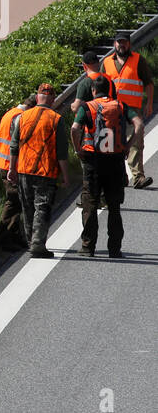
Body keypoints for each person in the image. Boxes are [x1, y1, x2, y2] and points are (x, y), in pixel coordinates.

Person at [72, 76, 141, 257]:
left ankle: (88, 247)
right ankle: (115, 249)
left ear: (93, 91)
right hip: (115, 162)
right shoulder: (120, 106)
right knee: (114, 207)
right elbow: (139, 124)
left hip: (93, 162)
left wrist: (78, 149)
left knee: (90, 205)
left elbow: (74, 128)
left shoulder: (87, 107)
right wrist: (127, 145)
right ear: (109, 90)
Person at [6, 83, 68, 258]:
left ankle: (31, 242)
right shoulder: (56, 119)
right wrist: (65, 175)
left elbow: (14, 146)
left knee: (27, 208)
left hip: (24, 170)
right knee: (42, 208)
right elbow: (62, 151)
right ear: (53, 100)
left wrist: (12, 168)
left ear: (37, 97)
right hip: (45, 171)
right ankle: (38, 244)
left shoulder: (23, 117)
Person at [100, 32, 153, 188]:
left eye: (124, 42)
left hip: (132, 110)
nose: (121, 45)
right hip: (111, 109)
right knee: (111, 142)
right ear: (114, 44)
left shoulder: (138, 60)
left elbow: (149, 84)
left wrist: (149, 103)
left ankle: (138, 177)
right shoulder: (107, 62)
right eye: (118, 42)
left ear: (129, 44)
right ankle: (120, 177)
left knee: (135, 141)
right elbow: (100, 85)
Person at [0, 93, 36, 250]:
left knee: (17, 201)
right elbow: (16, 144)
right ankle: (3, 239)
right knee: (14, 200)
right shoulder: (20, 117)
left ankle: (15, 236)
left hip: (5, 163)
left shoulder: (11, 113)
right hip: (10, 165)